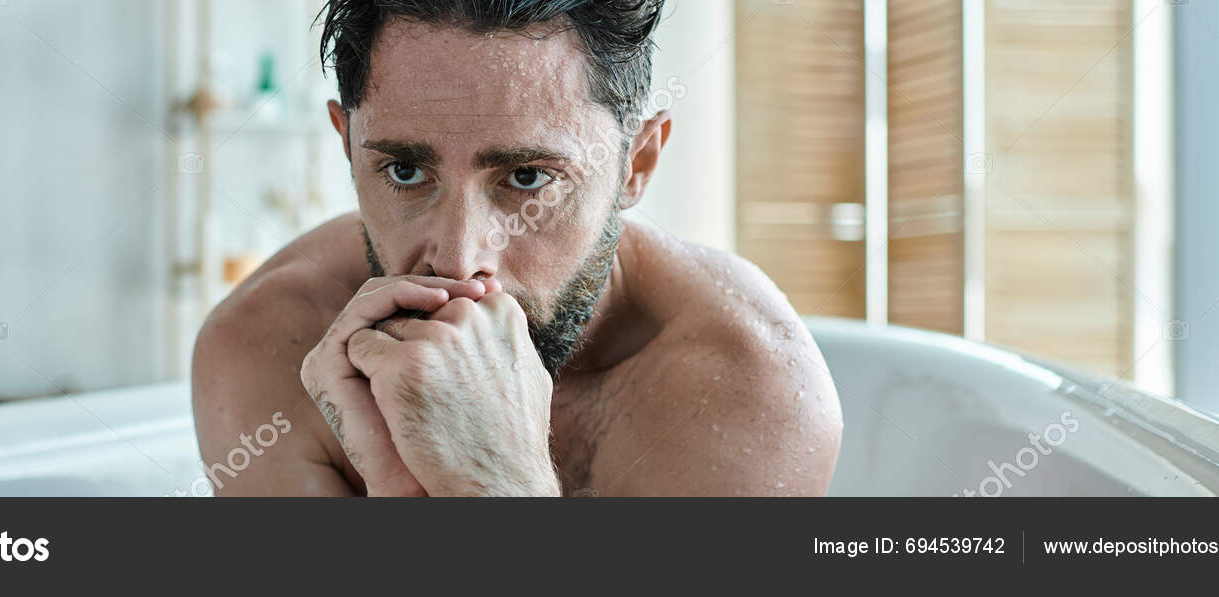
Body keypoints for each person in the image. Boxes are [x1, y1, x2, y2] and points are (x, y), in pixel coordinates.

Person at [192, 0, 841, 496]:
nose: (456, 259)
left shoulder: (750, 392)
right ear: (346, 145)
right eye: (406, 172)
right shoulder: (262, 349)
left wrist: (500, 487)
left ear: (636, 164)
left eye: (527, 178)